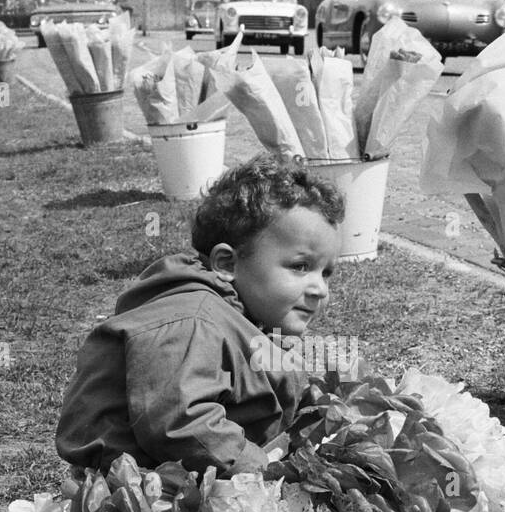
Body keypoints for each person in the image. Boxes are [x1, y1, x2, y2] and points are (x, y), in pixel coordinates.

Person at [56, 154, 345, 478]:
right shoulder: (192, 323)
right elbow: (180, 420)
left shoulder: (243, 318)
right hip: (137, 494)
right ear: (226, 264)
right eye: (300, 266)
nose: (319, 288)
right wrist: (266, 470)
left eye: (326, 272)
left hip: (189, 479)